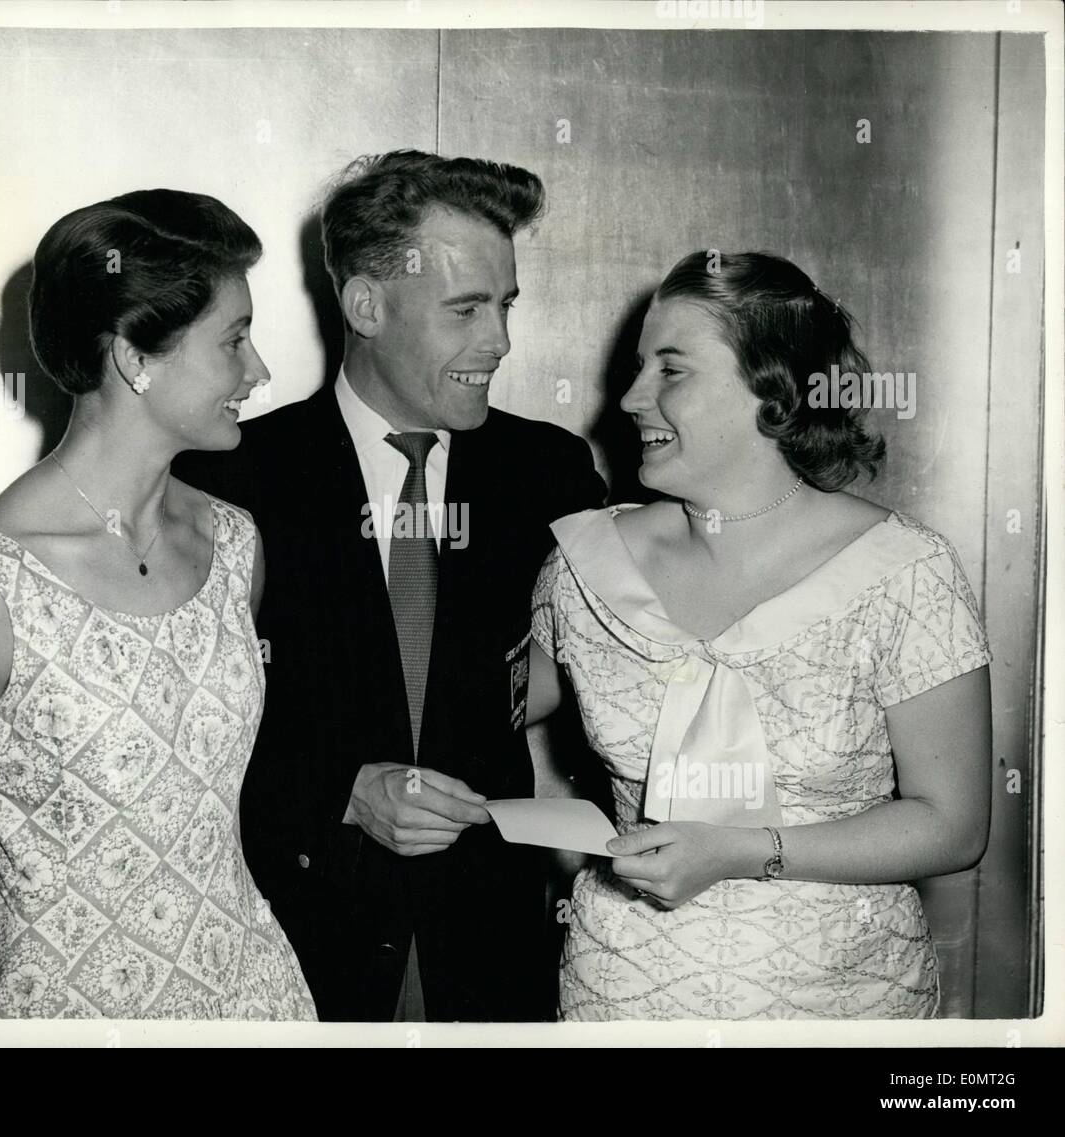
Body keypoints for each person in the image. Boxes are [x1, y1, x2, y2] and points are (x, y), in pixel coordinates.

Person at [0, 190, 316, 1020]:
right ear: (135, 356)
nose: (260, 370)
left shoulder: (234, 545)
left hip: (256, 1008)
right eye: (234, 340)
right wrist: (55, 925)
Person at [177, 150, 606, 1021]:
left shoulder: (550, 473)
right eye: (465, 309)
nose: (499, 342)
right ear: (365, 304)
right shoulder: (229, 481)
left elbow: (613, 684)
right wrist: (336, 792)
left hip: (497, 965)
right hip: (289, 958)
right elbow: (167, 746)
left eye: (505, 305)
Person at [528, 251, 992, 1020]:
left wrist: (748, 851)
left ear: (771, 393)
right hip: (622, 1001)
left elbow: (954, 823)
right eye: (638, 366)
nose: (631, 396)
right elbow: (482, 713)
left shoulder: (904, 571)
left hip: (843, 1008)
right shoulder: (583, 563)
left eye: (671, 370)